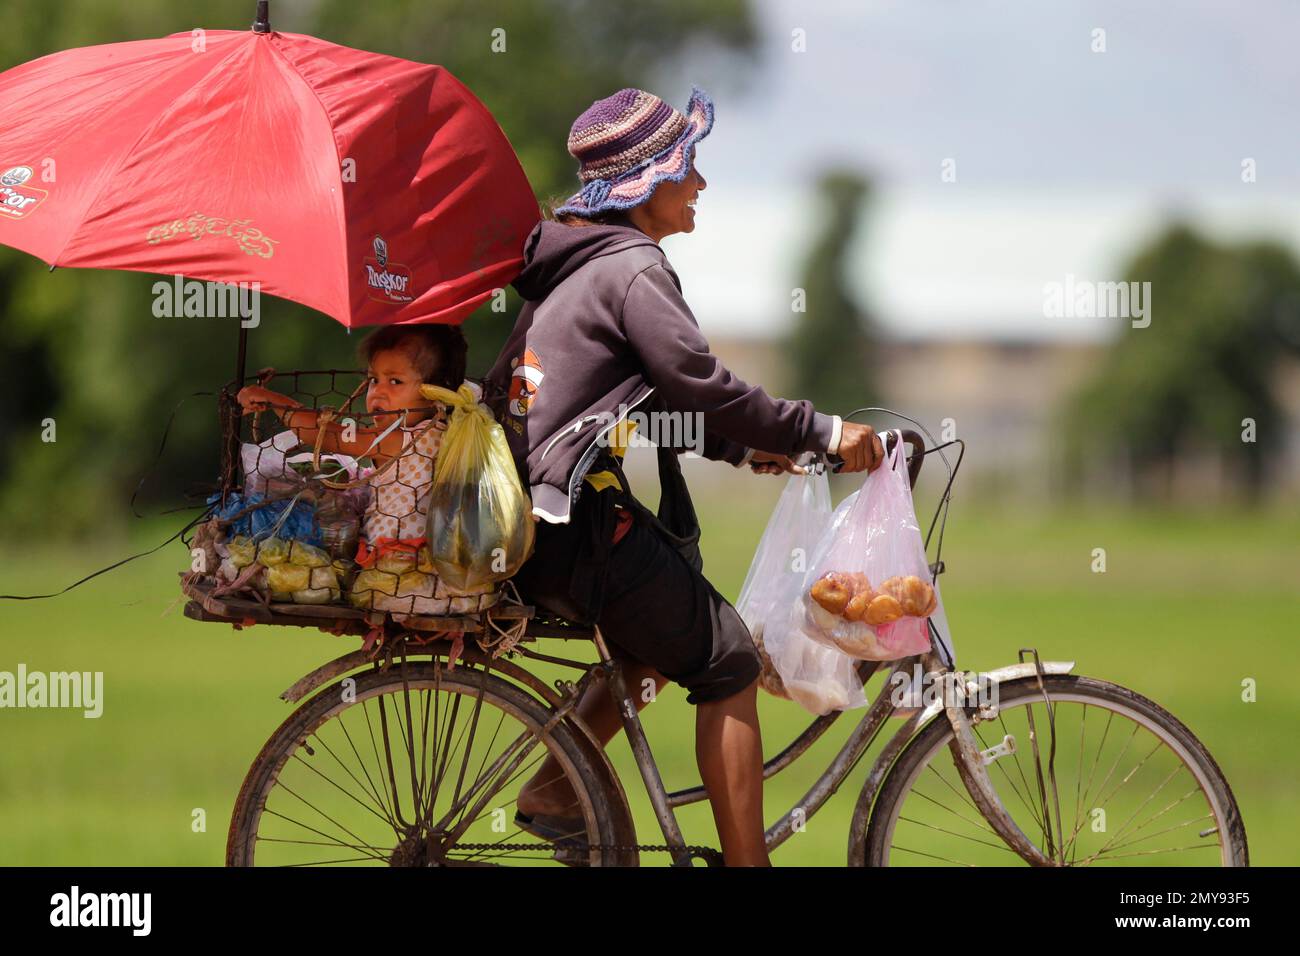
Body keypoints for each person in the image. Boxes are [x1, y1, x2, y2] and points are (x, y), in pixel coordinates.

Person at [483, 87, 886, 866]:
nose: (699, 182)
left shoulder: (583, 266)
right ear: (647, 182)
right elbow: (703, 382)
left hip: (539, 522)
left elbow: (669, 398)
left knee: (657, 645)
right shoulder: (633, 269)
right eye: (688, 165)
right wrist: (825, 432)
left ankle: (556, 786)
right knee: (728, 659)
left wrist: (746, 450)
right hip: (570, 523)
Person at [235, 325, 470, 618]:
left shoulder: (407, 439)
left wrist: (273, 401)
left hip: (401, 575)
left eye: (395, 381)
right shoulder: (431, 431)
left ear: (435, 394)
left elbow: (327, 435)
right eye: (373, 380)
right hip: (401, 564)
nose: (378, 393)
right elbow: (326, 431)